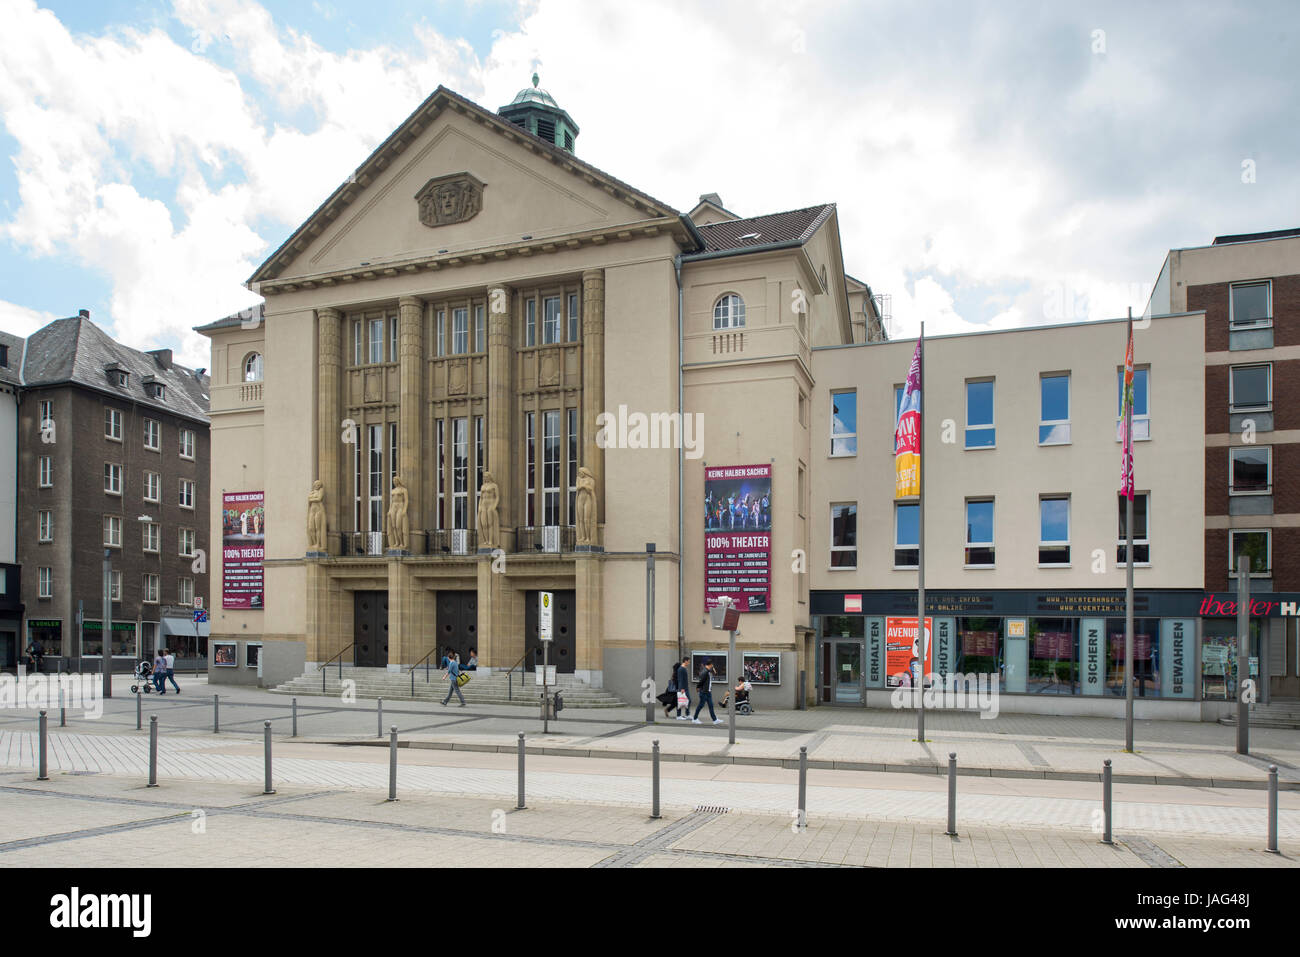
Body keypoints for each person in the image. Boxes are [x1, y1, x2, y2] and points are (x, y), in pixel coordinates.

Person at [693, 658, 723, 725]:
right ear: (710, 665)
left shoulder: (708, 671)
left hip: (708, 691)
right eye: (712, 665)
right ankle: (695, 718)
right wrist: (698, 687)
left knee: (711, 705)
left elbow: (714, 674)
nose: (713, 666)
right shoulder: (705, 672)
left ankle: (715, 720)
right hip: (704, 692)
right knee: (701, 705)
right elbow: (701, 681)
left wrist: (713, 670)